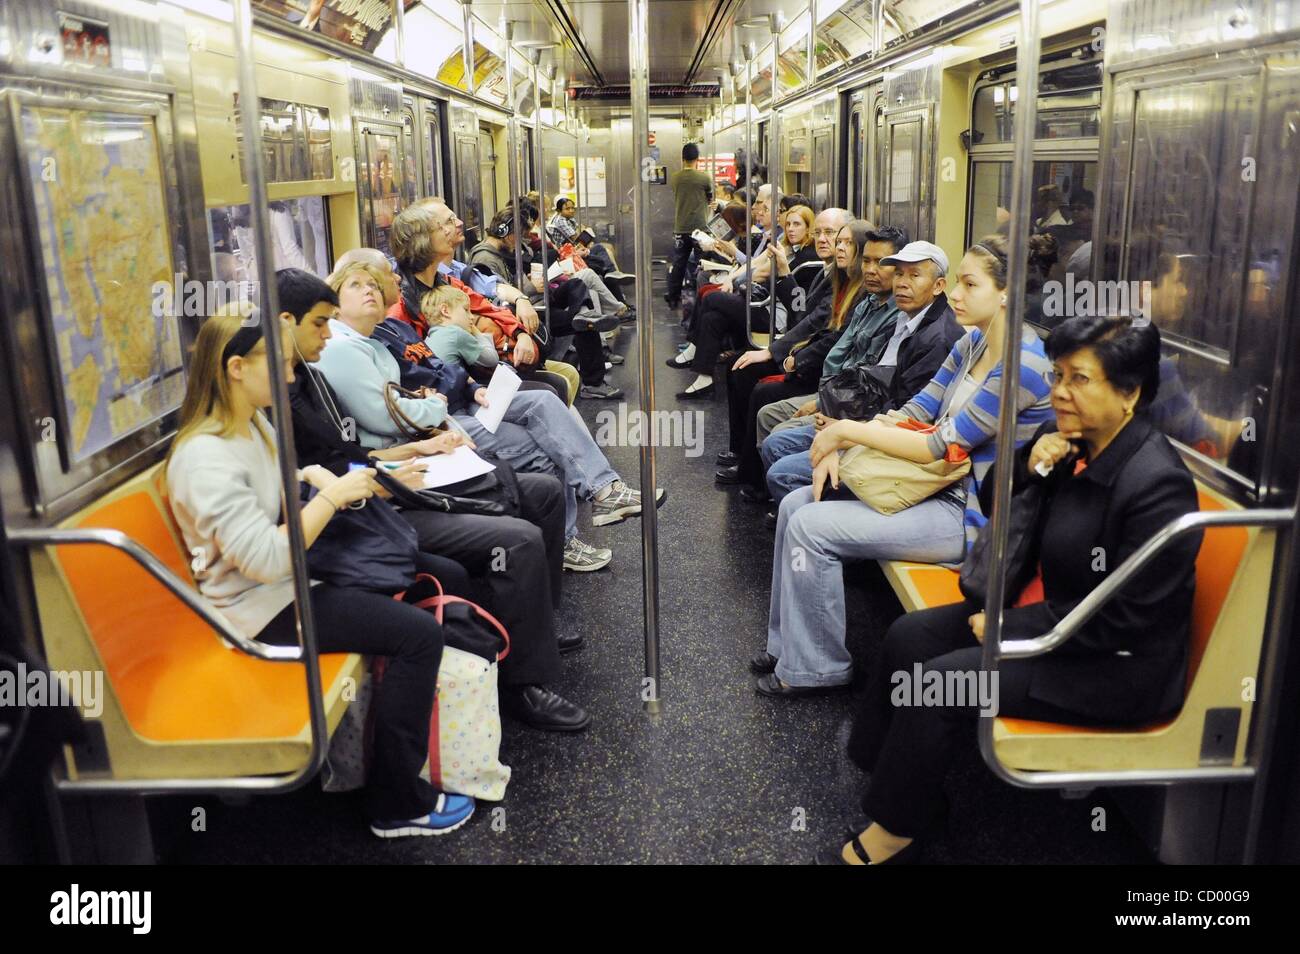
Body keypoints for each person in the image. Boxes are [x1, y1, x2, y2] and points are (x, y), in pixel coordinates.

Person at [833, 315, 1199, 865]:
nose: (1059, 392)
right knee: (909, 637)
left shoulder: (1156, 484)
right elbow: (994, 496)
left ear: (1131, 394)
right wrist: (1030, 463)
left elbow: (1129, 618)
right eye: (1057, 376)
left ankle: (899, 832)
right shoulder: (1078, 444)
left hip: (1112, 667)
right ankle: (893, 782)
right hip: (1051, 623)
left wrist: (1012, 630)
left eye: (1080, 379)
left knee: (939, 684)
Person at [165, 309, 475, 837]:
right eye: (280, 364)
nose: (290, 377)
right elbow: (263, 559)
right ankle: (396, 803)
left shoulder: (251, 426)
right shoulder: (204, 459)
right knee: (416, 635)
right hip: (256, 613)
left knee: (431, 574)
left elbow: (272, 488)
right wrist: (331, 496)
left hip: (284, 586)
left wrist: (309, 477)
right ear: (236, 368)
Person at [277, 267, 591, 732]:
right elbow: (331, 473)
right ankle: (523, 684)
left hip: (384, 479)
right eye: (319, 324)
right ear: (286, 323)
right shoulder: (304, 382)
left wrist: (416, 449)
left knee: (543, 493)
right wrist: (393, 469)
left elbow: (354, 453)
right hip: (366, 510)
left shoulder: (310, 376)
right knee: (519, 539)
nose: (326, 334)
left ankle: (537, 623)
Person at [754, 234, 1055, 696]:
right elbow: (917, 410)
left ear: (1006, 295)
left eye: (968, 285)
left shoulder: (1023, 368)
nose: (955, 293)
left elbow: (938, 444)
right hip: (935, 487)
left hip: (974, 515)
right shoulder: (973, 344)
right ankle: (790, 648)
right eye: (956, 282)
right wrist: (842, 441)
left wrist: (845, 432)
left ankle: (818, 668)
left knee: (811, 527)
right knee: (797, 504)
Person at [315, 260, 665, 571]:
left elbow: (436, 370)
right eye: (360, 285)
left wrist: (466, 387)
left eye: (375, 284)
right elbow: (397, 409)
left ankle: (605, 490)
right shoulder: (355, 345)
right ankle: (564, 542)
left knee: (543, 401)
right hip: (435, 423)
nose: (374, 289)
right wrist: (439, 400)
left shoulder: (391, 333)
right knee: (541, 445)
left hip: (458, 400)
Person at [763, 239, 965, 503]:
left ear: (939, 286)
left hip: (890, 436)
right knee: (774, 443)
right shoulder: (906, 317)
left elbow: (911, 415)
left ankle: (819, 525)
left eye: (914, 275)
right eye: (900, 274)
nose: (902, 283)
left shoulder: (937, 340)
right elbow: (872, 377)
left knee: (783, 473)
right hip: (868, 414)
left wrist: (851, 430)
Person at [715, 207, 849, 489]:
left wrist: (779, 353)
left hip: (811, 361)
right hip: (799, 348)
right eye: (819, 233)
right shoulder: (825, 272)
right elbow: (803, 315)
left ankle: (751, 474)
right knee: (737, 366)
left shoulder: (833, 274)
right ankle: (741, 451)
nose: (823, 240)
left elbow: (813, 322)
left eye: (831, 234)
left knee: (760, 386)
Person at [468, 207, 622, 400]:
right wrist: (529, 287)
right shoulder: (486, 259)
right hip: (523, 315)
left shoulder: (498, 254)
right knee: (583, 324)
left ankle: (583, 313)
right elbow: (502, 300)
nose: (521, 242)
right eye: (520, 236)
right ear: (508, 235)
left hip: (533, 300)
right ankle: (593, 383)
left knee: (577, 284)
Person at [667, 184, 779, 398]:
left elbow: (756, 269)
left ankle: (693, 347)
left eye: (763, 208)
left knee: (709, 295)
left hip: (764, 305)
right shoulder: (768, 236)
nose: (756, 211)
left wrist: (733, 261)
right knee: (712, 317)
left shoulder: (777, 242)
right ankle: (704, 379)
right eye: (758, 206)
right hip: (751, 294)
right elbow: (753, 265)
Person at [665, 142, 714, 310]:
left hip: (681, 227)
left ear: (682, 158)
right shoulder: (704, 177)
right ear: (697, 159)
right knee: (703, 263)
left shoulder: (675, 178)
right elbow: (710, 197)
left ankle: (673, 297)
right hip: (700, 228)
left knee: (679, 263)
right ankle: (700, 295)